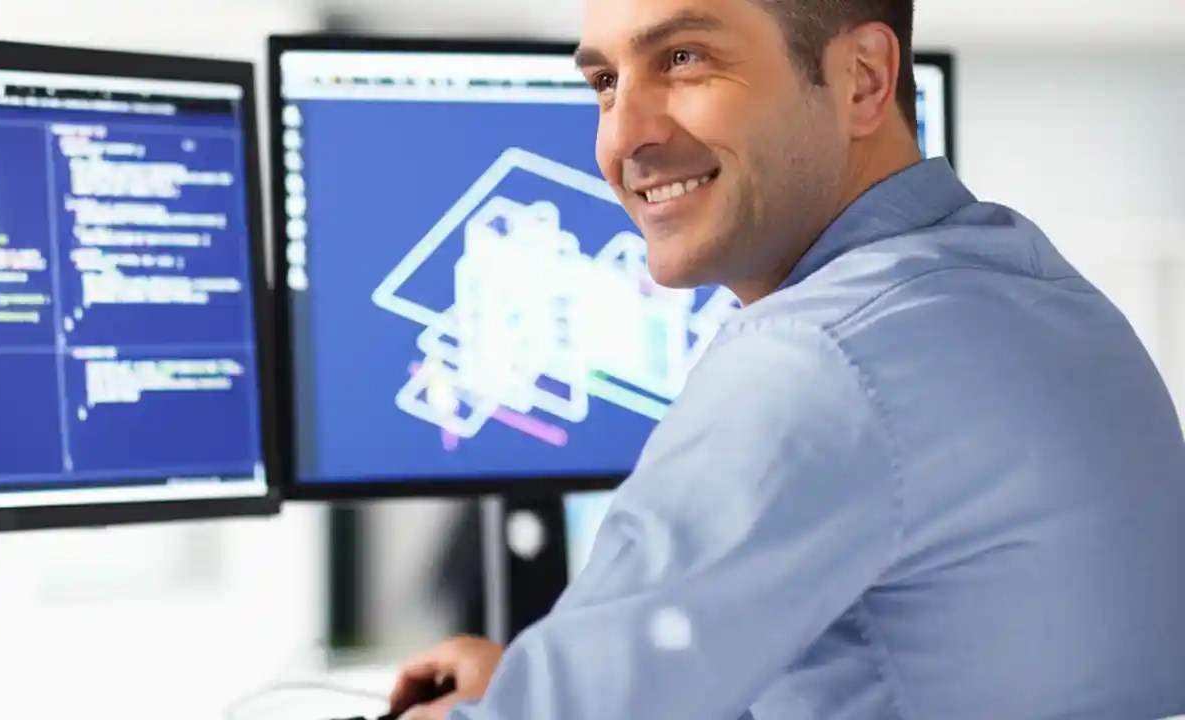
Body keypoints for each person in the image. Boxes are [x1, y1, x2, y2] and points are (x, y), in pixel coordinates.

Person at [388, 0, 1185, 717]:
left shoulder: (813, 361)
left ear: (863, 78)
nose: (622, 137)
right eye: (605, 82)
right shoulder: (1041, 291)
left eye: (684, 59)